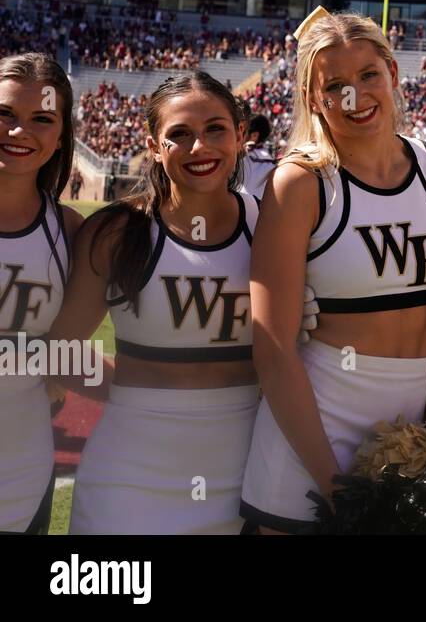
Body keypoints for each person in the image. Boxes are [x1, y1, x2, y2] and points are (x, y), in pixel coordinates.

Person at [240, 10, 426, 533]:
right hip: (311, 436)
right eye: (334, 85)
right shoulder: (298, 184)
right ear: (313, 99)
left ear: (392, 72)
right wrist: (336, 487)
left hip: (408, 437)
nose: (355, 97)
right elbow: (272, 348)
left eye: (367, 75)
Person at [53, 72, 258, 534]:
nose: (199, 147)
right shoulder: (117, 231)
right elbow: (59, 349)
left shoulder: (276, 224)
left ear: (241, 135)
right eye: (179, 134)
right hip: (127, 475)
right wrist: (137, 394)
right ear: (153, 144)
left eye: (215, 130)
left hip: (244, 471)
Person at [0, 54, 80, 534]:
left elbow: (69, 354)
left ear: (60, 136)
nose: (18, 131)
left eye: (41, 119)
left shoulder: (71, 233)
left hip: (21, 464)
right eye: (4, 113)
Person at [240, 113, 276, 201]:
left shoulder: (245, 158)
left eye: (243, 131)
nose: (238, 135)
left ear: (254, 136)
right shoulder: (271, 161)